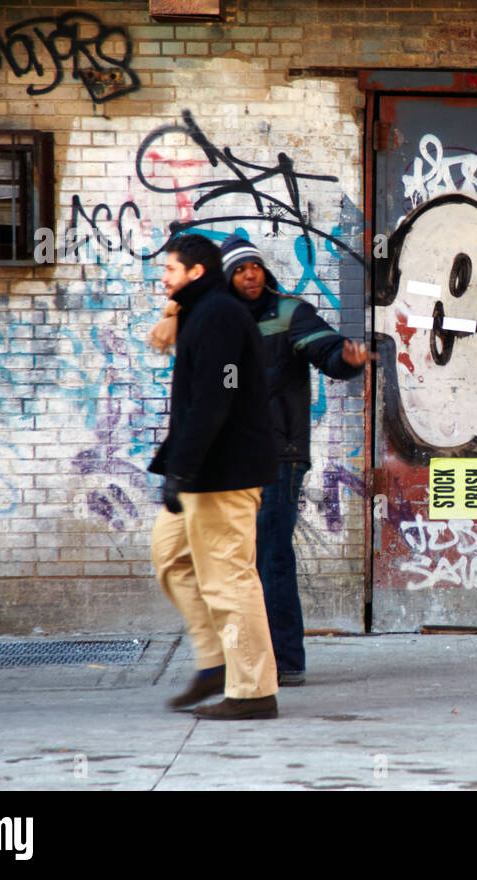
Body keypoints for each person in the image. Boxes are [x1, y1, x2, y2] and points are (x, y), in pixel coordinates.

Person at [149, 233, 373, 686]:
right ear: (225, 277)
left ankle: (283, 661)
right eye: (240, 269)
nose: (251, 275)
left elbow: (322, 348)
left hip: (278, 454)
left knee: (269, 556)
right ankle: (232, 659)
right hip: (228, 463)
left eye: (255, 267)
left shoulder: (286, 313)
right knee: (224, 562)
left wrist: (346, 360)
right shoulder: (214, 317)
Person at [148, 233, 281, 720]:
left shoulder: (222, 317)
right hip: (199, 471)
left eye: (170, 269)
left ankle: (252, 691)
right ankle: (216, 662)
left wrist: (181, 468)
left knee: (229, 579)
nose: (163, 277)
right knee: (171, 558)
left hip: (224, 474)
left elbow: (218, 395)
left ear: (196, 272)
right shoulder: (200, 314)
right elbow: (195, 402)